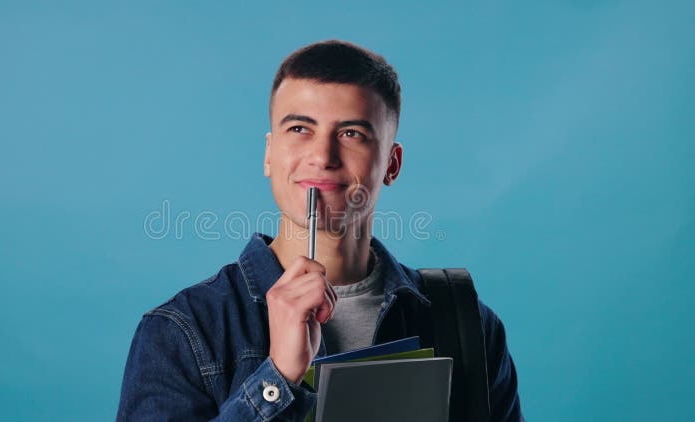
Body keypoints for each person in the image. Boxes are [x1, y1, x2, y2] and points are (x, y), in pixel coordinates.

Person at [117, 40, 523, 421]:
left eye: (352, 134)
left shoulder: (467, 324)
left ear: (392, 165)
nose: (322, 156)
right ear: (269, 154)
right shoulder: (184, 331)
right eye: (299, 129)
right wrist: (277, 377)